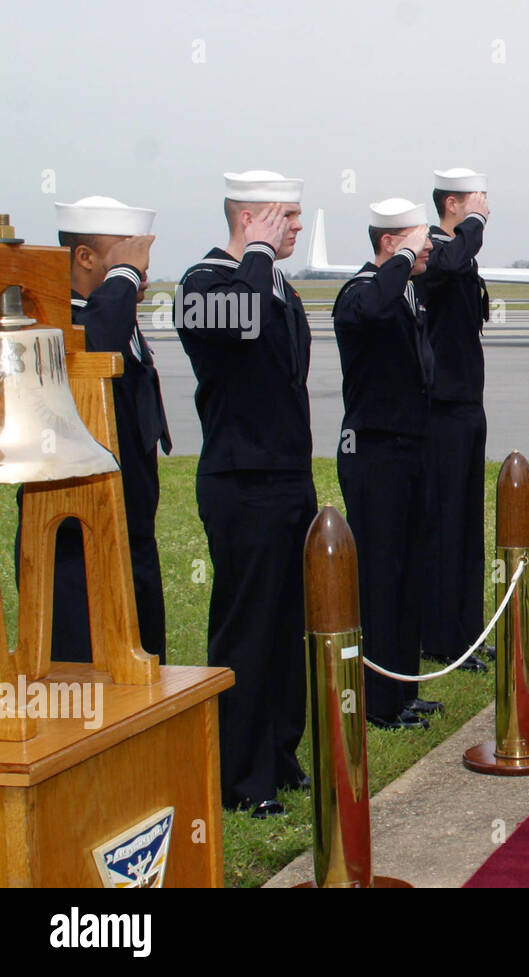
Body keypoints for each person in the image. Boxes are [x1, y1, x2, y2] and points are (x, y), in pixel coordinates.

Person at [175, 171, 316, 818]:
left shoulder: (276, 283)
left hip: (287, 476)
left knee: (288, 625)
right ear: (249, 218)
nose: (296, 228)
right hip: (241, 480)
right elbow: (242, 325)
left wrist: (264, 260)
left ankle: (280, 753)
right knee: (248, 628)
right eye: (284, 218)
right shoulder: (203, 284)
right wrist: (256, 255)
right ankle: (241, 773)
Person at [21, 196, 171, 666]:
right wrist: (122, 280)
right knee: (84, 659)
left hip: (130, 513)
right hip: (74, 527)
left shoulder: (111, 311)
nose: (139, 274)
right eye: (126, 261)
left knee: (140, 647)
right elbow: (95, 347)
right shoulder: (55, 319)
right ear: (84, 257)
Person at [333, 198, 443, 730]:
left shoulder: (404, 292)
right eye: (417, 241)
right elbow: (373, 310)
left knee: (407, 572)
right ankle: (376, 701)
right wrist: (400, 258)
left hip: (409, 450)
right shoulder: (359, 294)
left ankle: (402, 687)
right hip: (372, 453)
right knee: (379, 575)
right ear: (388, 245)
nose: (427, 249)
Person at [416, 169, 493, 674]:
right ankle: (441, 637)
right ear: (451, 204)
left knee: (467, 524)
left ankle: (466, 631)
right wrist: (473, 224)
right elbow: (447, 263)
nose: (486, 206)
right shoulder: (433, 251)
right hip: (439, 409)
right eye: (476, 200)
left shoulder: (456, 253)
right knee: (443, 526)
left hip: (467, 403)